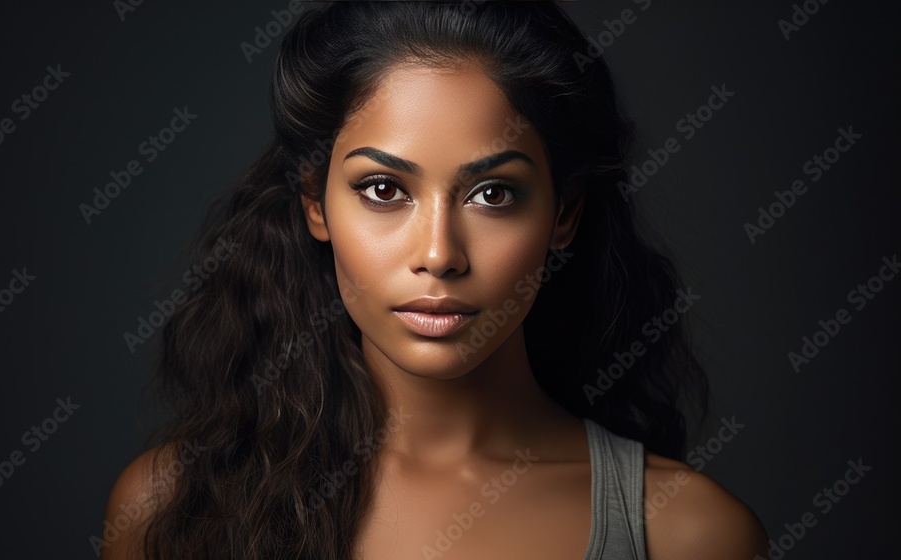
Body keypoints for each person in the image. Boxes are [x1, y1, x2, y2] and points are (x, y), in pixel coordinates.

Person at [101, 2, 770, 558]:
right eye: (383, 189)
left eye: (493, 195)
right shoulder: (173, 510)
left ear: (564, 213)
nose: (439, 254)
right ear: (314, 202)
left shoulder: (691, 535)